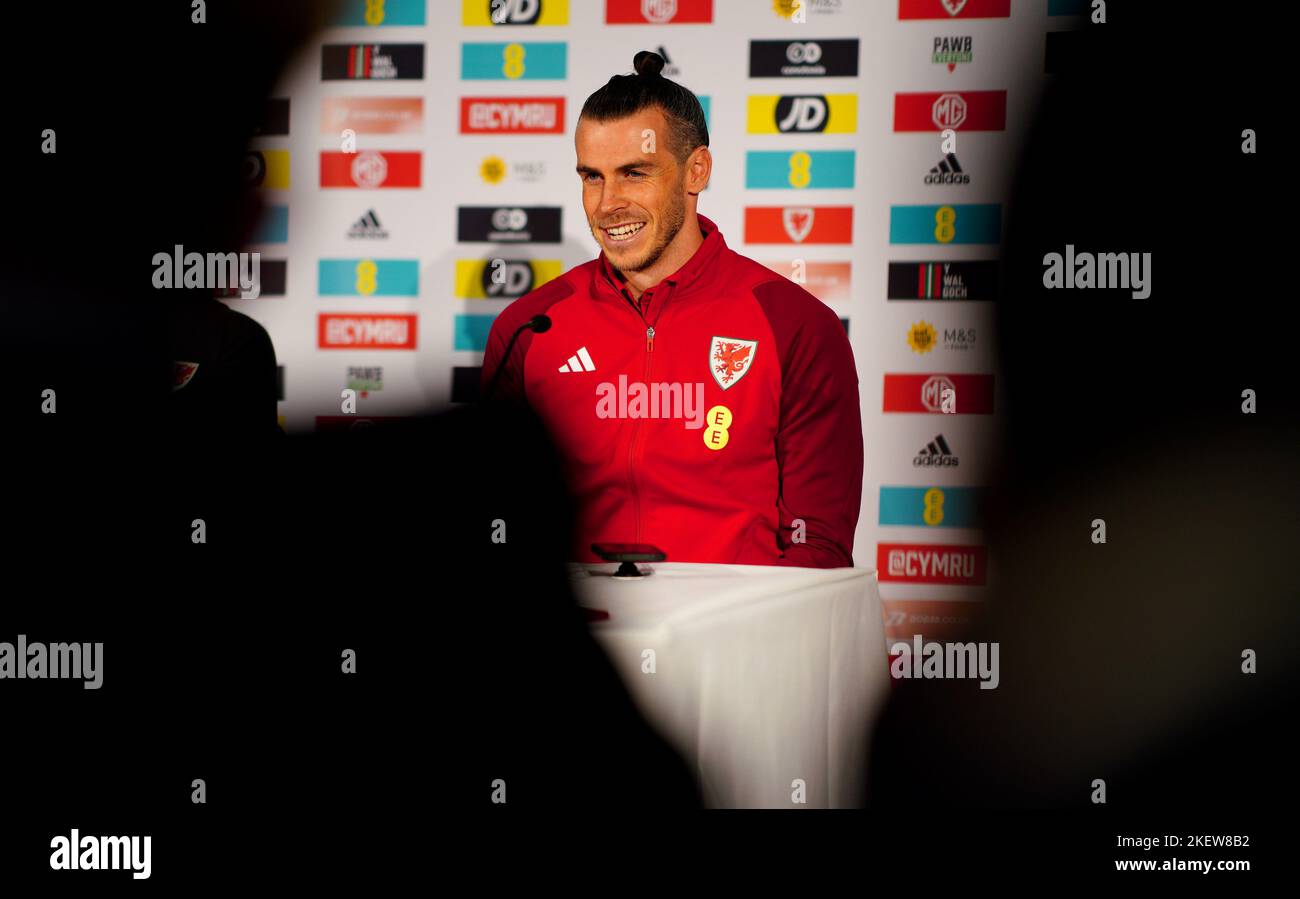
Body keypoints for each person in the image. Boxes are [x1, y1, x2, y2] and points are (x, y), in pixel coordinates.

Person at [482, 50, 863, 569]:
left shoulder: (796, 325)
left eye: (634, 173)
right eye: (592, 176)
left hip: (734, 642)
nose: (607, 203)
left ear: (696, 170)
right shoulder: (530, 328)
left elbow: (817, 547)